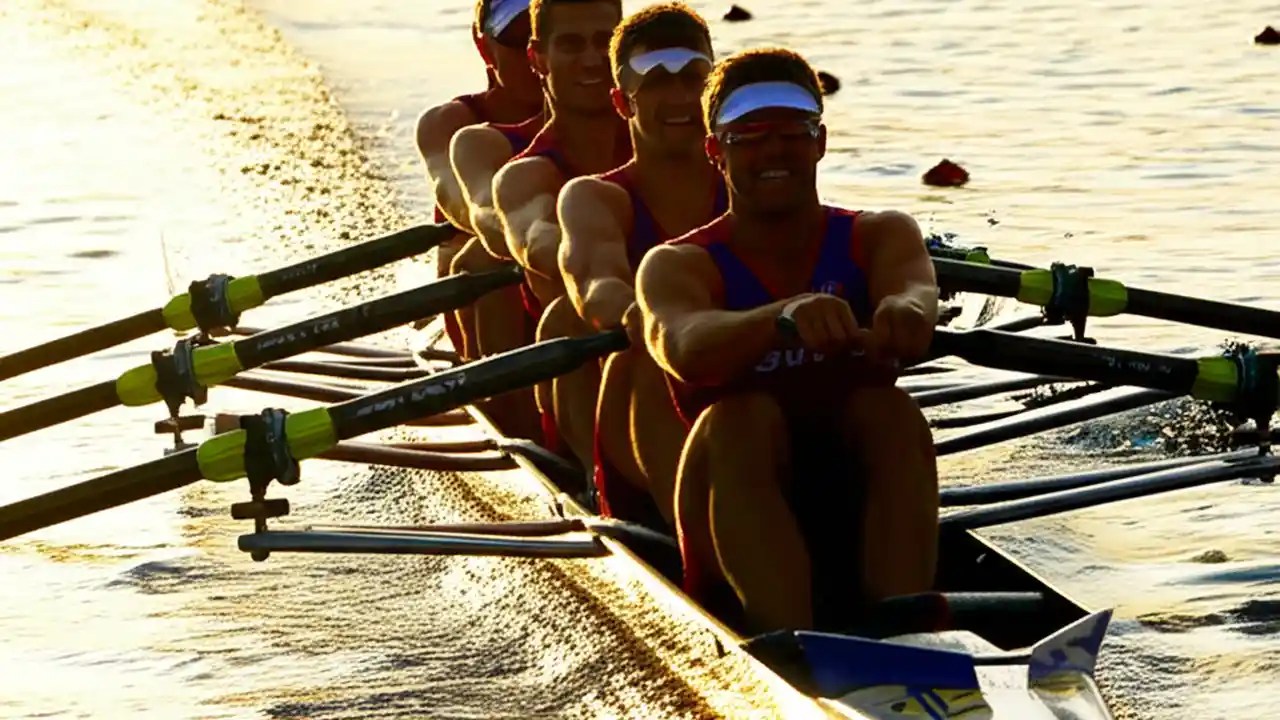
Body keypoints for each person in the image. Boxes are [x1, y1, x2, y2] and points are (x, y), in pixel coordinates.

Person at [634, 47, 941, 633]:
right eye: (747, 136)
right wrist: (781, 317)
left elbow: (913, 294)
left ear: (820, 141)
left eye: (791, 133)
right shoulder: (679, 264)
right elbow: (684, 345)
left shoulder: (881, 235)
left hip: (852, 490)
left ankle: (904, 636)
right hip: (725, 514)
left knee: (890, 411)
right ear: (713, 150)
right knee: (739, 420)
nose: (772, 150)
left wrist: (904, 315)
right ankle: (788, 646)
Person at [554, 2, 722, 529]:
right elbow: (595, 282)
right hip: (639, 411)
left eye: (694, 80)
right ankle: (693, 537)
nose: (678, 99)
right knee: (646, 344)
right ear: (621, 102)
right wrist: (640, 312)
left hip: (739, 396)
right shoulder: (594, 199)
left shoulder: (761, 180)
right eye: (654, 83)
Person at [489, 0, 632, 447]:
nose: (593, 59)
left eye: (605, 43)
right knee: (566, 314)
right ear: (538, 58)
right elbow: (537, 239)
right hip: (577, 374)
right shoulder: (524, 175)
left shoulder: (680, 151)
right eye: (571, 44)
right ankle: (586, 475)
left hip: (688, 358)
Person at [414, 0, 542, 359]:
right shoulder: (449, 125)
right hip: (489, 291)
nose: (533, 54)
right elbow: (463, 201)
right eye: (518, 38)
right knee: (485, 259)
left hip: (571, 288)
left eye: (549, 38)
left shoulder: (625, 118)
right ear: (484, 45)